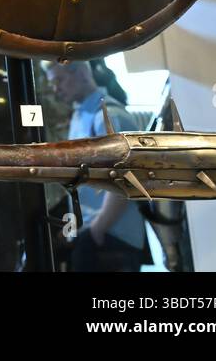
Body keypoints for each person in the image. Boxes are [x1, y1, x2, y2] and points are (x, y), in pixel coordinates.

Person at [46, 60, 147, 272]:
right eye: (53, 84)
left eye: (60, 81)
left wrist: (97, 230)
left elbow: (126, 179)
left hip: (112, 236)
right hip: (94, 233)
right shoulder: (80, 114)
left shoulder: (109, 116)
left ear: (82, 73)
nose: (56, 89)